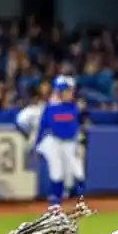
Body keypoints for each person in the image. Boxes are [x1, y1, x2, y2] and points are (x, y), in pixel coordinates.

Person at [34, 76, 85, 206]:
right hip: (56, 141)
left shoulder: (73, 107)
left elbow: (73, 127)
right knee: (57, 171)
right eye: (67, 91)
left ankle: (72, 195)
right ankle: (55, 198)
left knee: (73, 171)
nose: (70, 93)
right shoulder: (51, 107)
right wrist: (38, 144)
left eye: (70, 91)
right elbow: (43, 126)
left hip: (69, 143)